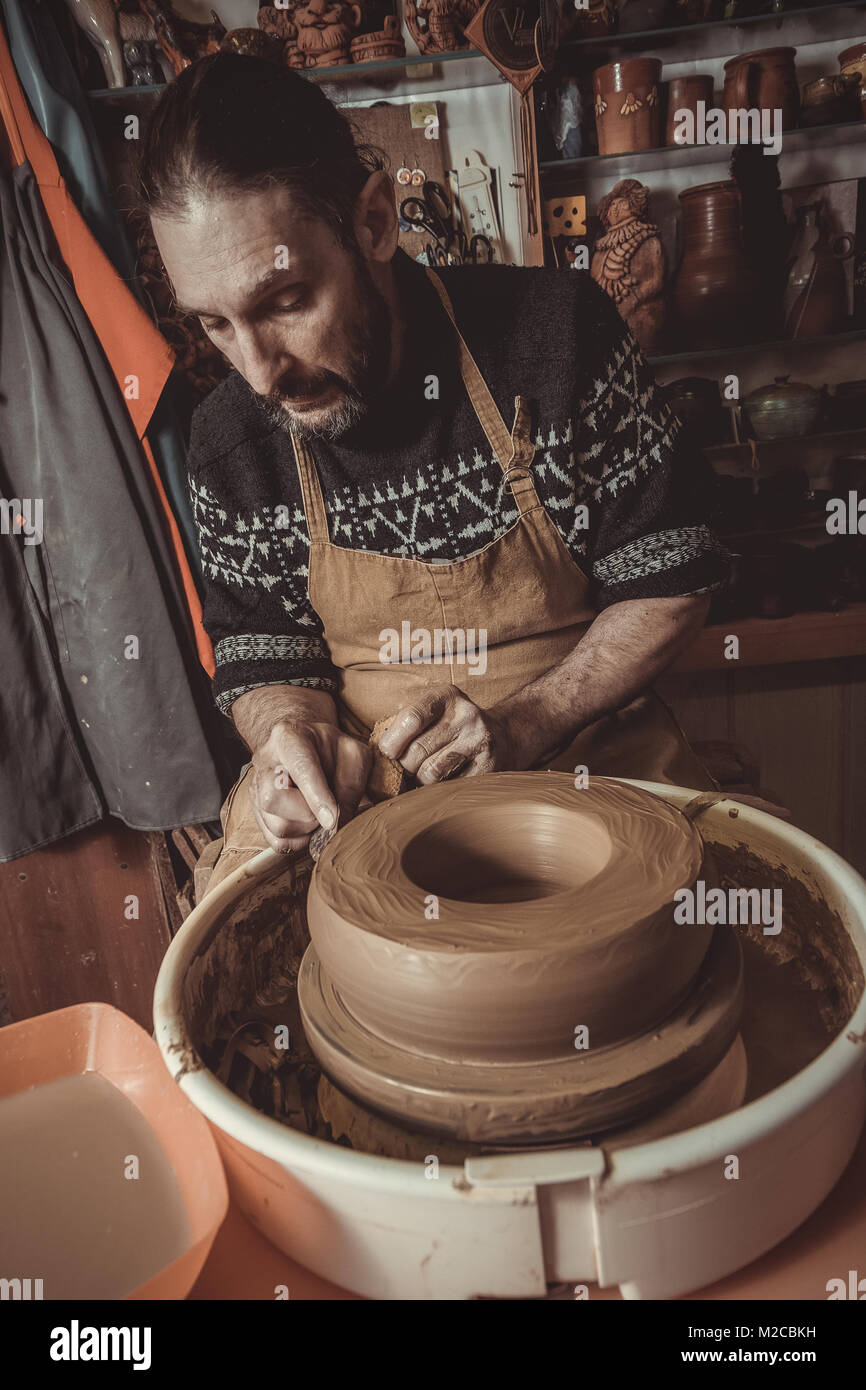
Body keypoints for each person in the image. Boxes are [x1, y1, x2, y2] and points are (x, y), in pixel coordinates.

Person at [138, 53, 730, 898]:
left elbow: (674, 579)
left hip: (582, 750)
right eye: (215, 325)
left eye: (285, 301)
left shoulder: (556, 338)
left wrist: (529, 723)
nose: (260, 371)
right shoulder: (231, 435)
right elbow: (264, 653)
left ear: (373, 221)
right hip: (361, 798)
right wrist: (288, 735)